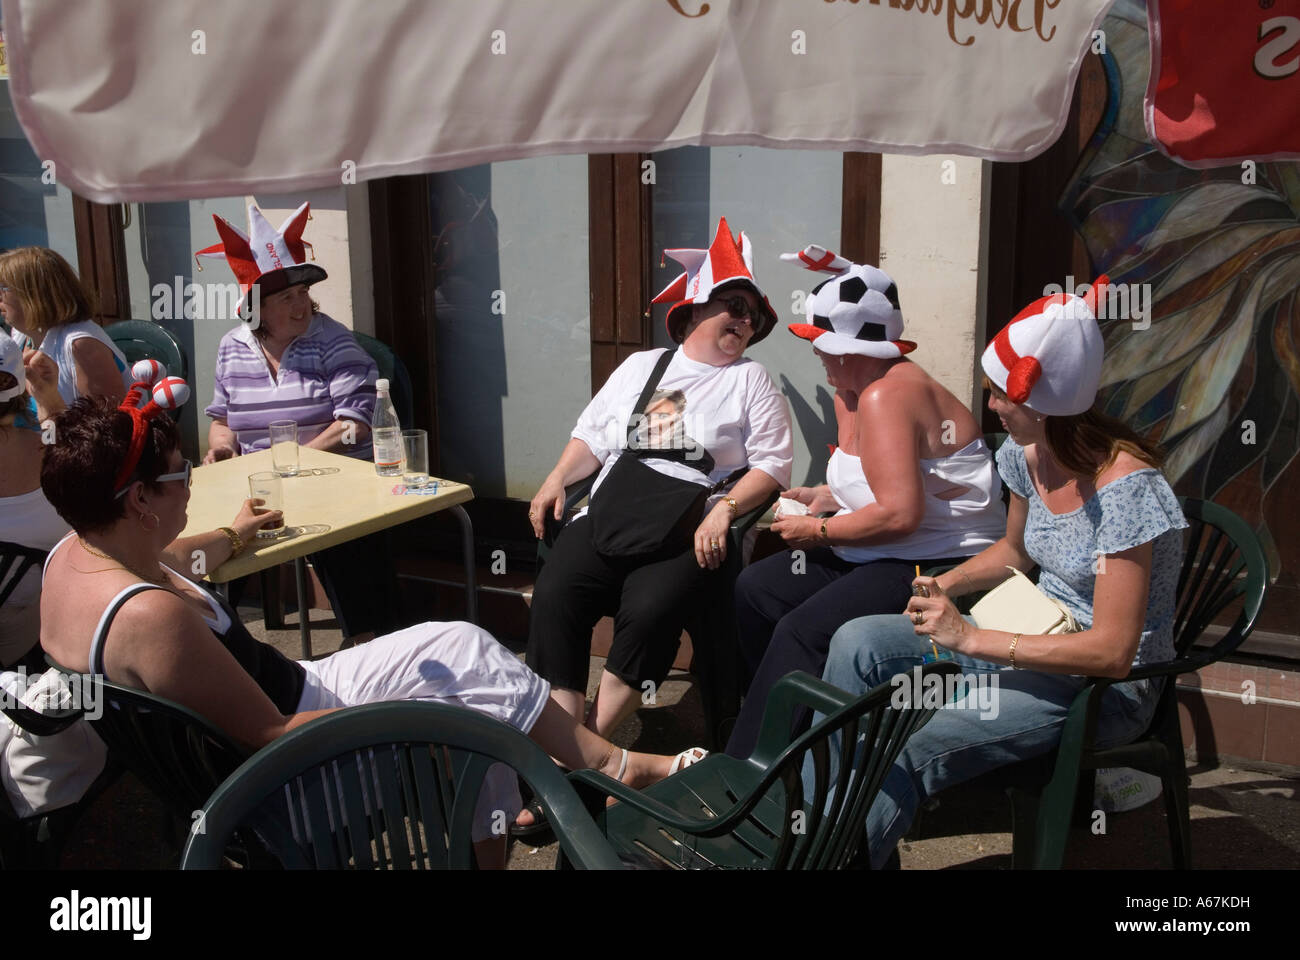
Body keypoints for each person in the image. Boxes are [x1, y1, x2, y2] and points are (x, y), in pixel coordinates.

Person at [37, 385, 705, 868]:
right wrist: (419, 715)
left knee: (464, 647)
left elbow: (176, 559)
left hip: (276, 711)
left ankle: (592, 761)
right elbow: (268, 735)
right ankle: (599, 763)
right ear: (142, 501)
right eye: (179, 476)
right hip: (289, 779)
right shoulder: (152, 619)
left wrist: (231, 535)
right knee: (472, 700)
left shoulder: (77, 558)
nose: (190, 483)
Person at [817, 278, 1186, 868]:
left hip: (1100, 688)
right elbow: (1016, 552)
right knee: (857, 640)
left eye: (998, 395)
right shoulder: (1027, 452)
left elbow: (1114, 652)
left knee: (907, 749)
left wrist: (969, 638)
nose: (989, 406)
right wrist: (946, 585)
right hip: (1027, 628)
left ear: (1040, 403)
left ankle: (829, 849)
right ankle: (814, 828)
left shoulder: (1127, 492)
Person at [524, 217, 793, 754]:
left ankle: (583, 751)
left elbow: (773, 465)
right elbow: (594, 438)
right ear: (695, 308)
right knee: (556, 596)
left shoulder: (750, 379)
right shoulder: (644, 366)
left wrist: (726, 509)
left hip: (690, 524)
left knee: (649, 613)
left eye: (755, 315)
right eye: (735, 307)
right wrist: (555, 478)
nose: (746, 320)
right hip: (615, 508)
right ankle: (563, 747)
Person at [724, 247, 1006, 759]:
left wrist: (820, 532)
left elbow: (901, 513)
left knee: (802, 630)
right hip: (881, 547)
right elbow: (878, 481)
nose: (816, 354)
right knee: (756, 589)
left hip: (939, 558)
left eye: (820, 344)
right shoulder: (852, 389)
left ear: (850, 349)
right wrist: (823, 496)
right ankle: (786, 734)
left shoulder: (888, 394)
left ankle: (754, 769)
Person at [197, 203, 396, 640]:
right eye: (286, 297)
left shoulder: (332, 341)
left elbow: (356, 424)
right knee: (209, 538)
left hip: (333, 477)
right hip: (258, 485)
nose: (301, 303)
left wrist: (295, 459)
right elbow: (221, 420)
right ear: (256, 309)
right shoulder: (233, 346)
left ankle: (368, 640)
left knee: (345, 535)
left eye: (303, 293)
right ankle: (209, 641)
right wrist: (222, 448)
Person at [0, 247, 131, 407]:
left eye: (3, 288)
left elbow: (109, 424)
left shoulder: (81, 345)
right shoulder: (21, 337)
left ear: (35, 295)